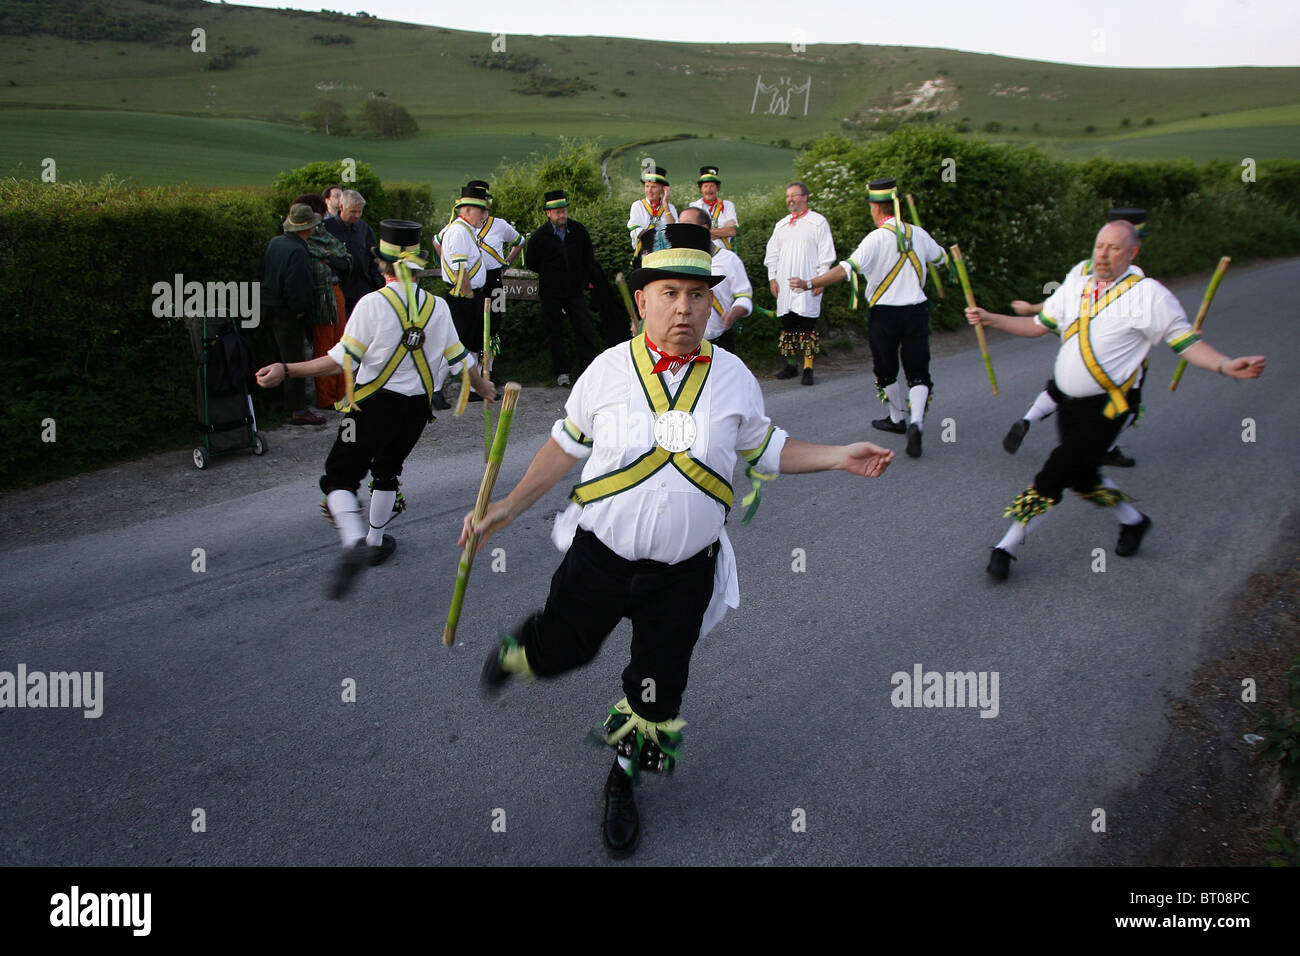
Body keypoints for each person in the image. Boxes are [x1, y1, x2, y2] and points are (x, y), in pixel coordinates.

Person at [463, 222, 894, 858]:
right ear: (642, 299)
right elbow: (565, 446)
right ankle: (517, 650)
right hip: (599, 559)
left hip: (685, 574)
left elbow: (767, 449)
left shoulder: (735, 377)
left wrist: (837, 456)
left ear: (710, 301)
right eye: (669, 293)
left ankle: (622, 781)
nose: (684, 308)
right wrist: (506, 507)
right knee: (561, 651)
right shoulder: (606, 371)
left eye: (697, 295)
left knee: (657, 692)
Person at [966, 220, 1265, 581]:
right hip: (1069, 405)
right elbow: (1037, 326)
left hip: (1110, 406)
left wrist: (1224, 364)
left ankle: (1005, 547)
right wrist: (990, 319)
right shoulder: (1077, 282)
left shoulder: (1149, 295)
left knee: (1057, 469)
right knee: (1082, 475)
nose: (1103, 254)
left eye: (1114, 248)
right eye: (1099, 246)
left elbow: (1185, 342)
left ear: (1133, 253)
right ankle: (1134, 522)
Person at [255, 220, 496, 598]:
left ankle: (353, 544)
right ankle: (375, 540)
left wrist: (287, 370)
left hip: (370, 408)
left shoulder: (371, 303)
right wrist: (486, 387)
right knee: (387, 472)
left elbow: (339, 361)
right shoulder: (438, 307)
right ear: (417, 266)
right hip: (416, 410)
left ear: (383, 266)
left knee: (339, 476)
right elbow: (461, 362)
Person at [791, 178, 947, 456]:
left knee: (885, 369)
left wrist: (809, 283)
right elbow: (942, 259)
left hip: (885, 314)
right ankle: (918, 424)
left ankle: (898, 419)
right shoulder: (918, 234)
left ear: (876, 208)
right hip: (916, 312)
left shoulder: (874, 239)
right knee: (918, 370)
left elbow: (845, 270)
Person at [1003, 207, 1151, 468]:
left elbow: (1057, 304)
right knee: (1127, 400)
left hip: (1074, 336)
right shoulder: (1134, 275)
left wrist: (1030, 309)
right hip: (1108, 344)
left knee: (1062, 385)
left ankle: (1028, 419)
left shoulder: (1081, 268)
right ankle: (1101, 448)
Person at [524, 190, 605, 386]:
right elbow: (531, 262)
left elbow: (588, 258)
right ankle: (562, 372)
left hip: (575, 289)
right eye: (558, 212)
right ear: (548, 213)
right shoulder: (540, 236)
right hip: (551, 291)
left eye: (564, 211)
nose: (562, 215)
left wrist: (585, 279)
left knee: (584, 328)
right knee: (555, 331)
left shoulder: (578, 231)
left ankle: (588, 370)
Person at [257, 203, 327, 425]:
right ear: (308, 228)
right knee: (293, 361)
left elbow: (263, 273)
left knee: (271, 354)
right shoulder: (298, 250)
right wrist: (299, 310)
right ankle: (298, 409)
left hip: (267, 307)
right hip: (287, 312)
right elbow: (298, 285)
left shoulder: (275, 243)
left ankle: (273, 401)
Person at [763, 181, 835, 386]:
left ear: (805, 197)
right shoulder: (782, 225)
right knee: (788, 326)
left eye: (794, 195)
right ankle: (791, 365)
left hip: (809, 282)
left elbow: (826, 255)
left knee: (807, 327)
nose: (790, 199)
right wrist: (772, 278)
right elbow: (772, 255)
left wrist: (821, 279)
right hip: (785, 285)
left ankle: (808, 367)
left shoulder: (818, 222)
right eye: (787, 196)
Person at [292, 192, 353, 410]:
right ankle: (328, 397)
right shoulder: (303, 242)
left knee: (340, 342)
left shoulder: (319, 235)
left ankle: (340, 393)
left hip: (334, 292)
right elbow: (339, 254)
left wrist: (331, 260)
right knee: (326, 344)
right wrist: (332, 260)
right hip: (322, 296)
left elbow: (343, 254)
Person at [440, 184, 493, 402]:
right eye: (482, 211)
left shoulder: (463, 230)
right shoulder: (459, 232)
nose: (484, 216)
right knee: (455, 344)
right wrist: (470, 296)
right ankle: (434, 390)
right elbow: (459, 271)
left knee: (470, 342)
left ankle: (472, 389)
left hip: (468, 296)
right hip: (463, 298)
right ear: (467, 210)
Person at [680, 206, 750, 354]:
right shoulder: (677, 261)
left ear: (704, 228)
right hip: (684, 345)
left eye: (687, 224)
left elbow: (744, 296)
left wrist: (734, 312)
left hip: (721, 344)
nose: (681, 229)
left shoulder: (729, 260)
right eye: (680, 224)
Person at [323, 189, 384, 318]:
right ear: (341, 207)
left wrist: (377, 282)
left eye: (359, 211)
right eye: (353, 212)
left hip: (363, 289)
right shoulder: (327, 229)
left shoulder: (364, 229)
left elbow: (374, 257)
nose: (357, 215)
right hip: (338, 290)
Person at [688, 165, 739, 252]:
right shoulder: (694, 206)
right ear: (701, 189)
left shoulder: (728, 206)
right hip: (702, 252)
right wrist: (721, 231)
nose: (709, 190)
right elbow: (694, 233)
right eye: (706, 186)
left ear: (717, 188)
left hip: (724, 253)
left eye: (712, 186)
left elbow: (732, 231)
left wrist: (705, 231)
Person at [626, 165, 678, 251]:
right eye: (647, 186)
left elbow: (672, 230)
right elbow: (634, 228)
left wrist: (665, 204)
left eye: (653, 187)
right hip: (644, 252)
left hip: (665, 253)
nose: (649, 190)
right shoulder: (638, 205)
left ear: (662, 189)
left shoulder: (670, 208)